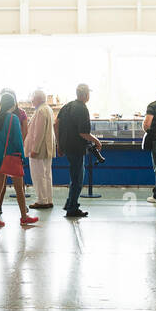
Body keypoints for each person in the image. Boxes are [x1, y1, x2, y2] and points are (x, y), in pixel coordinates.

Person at [0, 90, 37, 228]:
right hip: (12, 157)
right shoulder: (13, 119)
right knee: (19, 189)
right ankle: (24, 216)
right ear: (13, 104)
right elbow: (18, 140)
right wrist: (22, 156)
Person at [57, 82, 100, 218]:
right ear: (86, 95)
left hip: (66, 146)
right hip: (76, 147)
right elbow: (83, 133)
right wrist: (97, 141)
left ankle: (70, 204)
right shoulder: (82, 108)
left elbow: (55, 124)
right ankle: (72, 208)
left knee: (74, 176)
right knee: (78, 178)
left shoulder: (67, 106)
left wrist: (59, 144)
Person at [24, 89, 57, 209]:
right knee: (47, 174)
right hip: (46, 148)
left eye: (33, 99)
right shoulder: (47, 109)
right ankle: (48, 199)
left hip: (40, 149)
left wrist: (34, 149)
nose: (32, 101)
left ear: (38, 99)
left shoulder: (41, 111)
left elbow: (38, 133)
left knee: (38, 175)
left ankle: (42, 200)